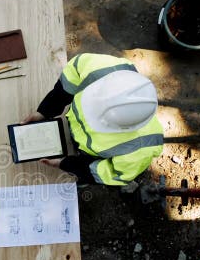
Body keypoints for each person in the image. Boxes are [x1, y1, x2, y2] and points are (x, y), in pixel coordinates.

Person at [21, 53, 164, 186]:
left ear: (126, 127)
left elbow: (109, 174)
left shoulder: (141, 149)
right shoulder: (97, 67)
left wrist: (67, 165)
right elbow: (67, 83)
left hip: (87, 156)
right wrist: (44, 111)